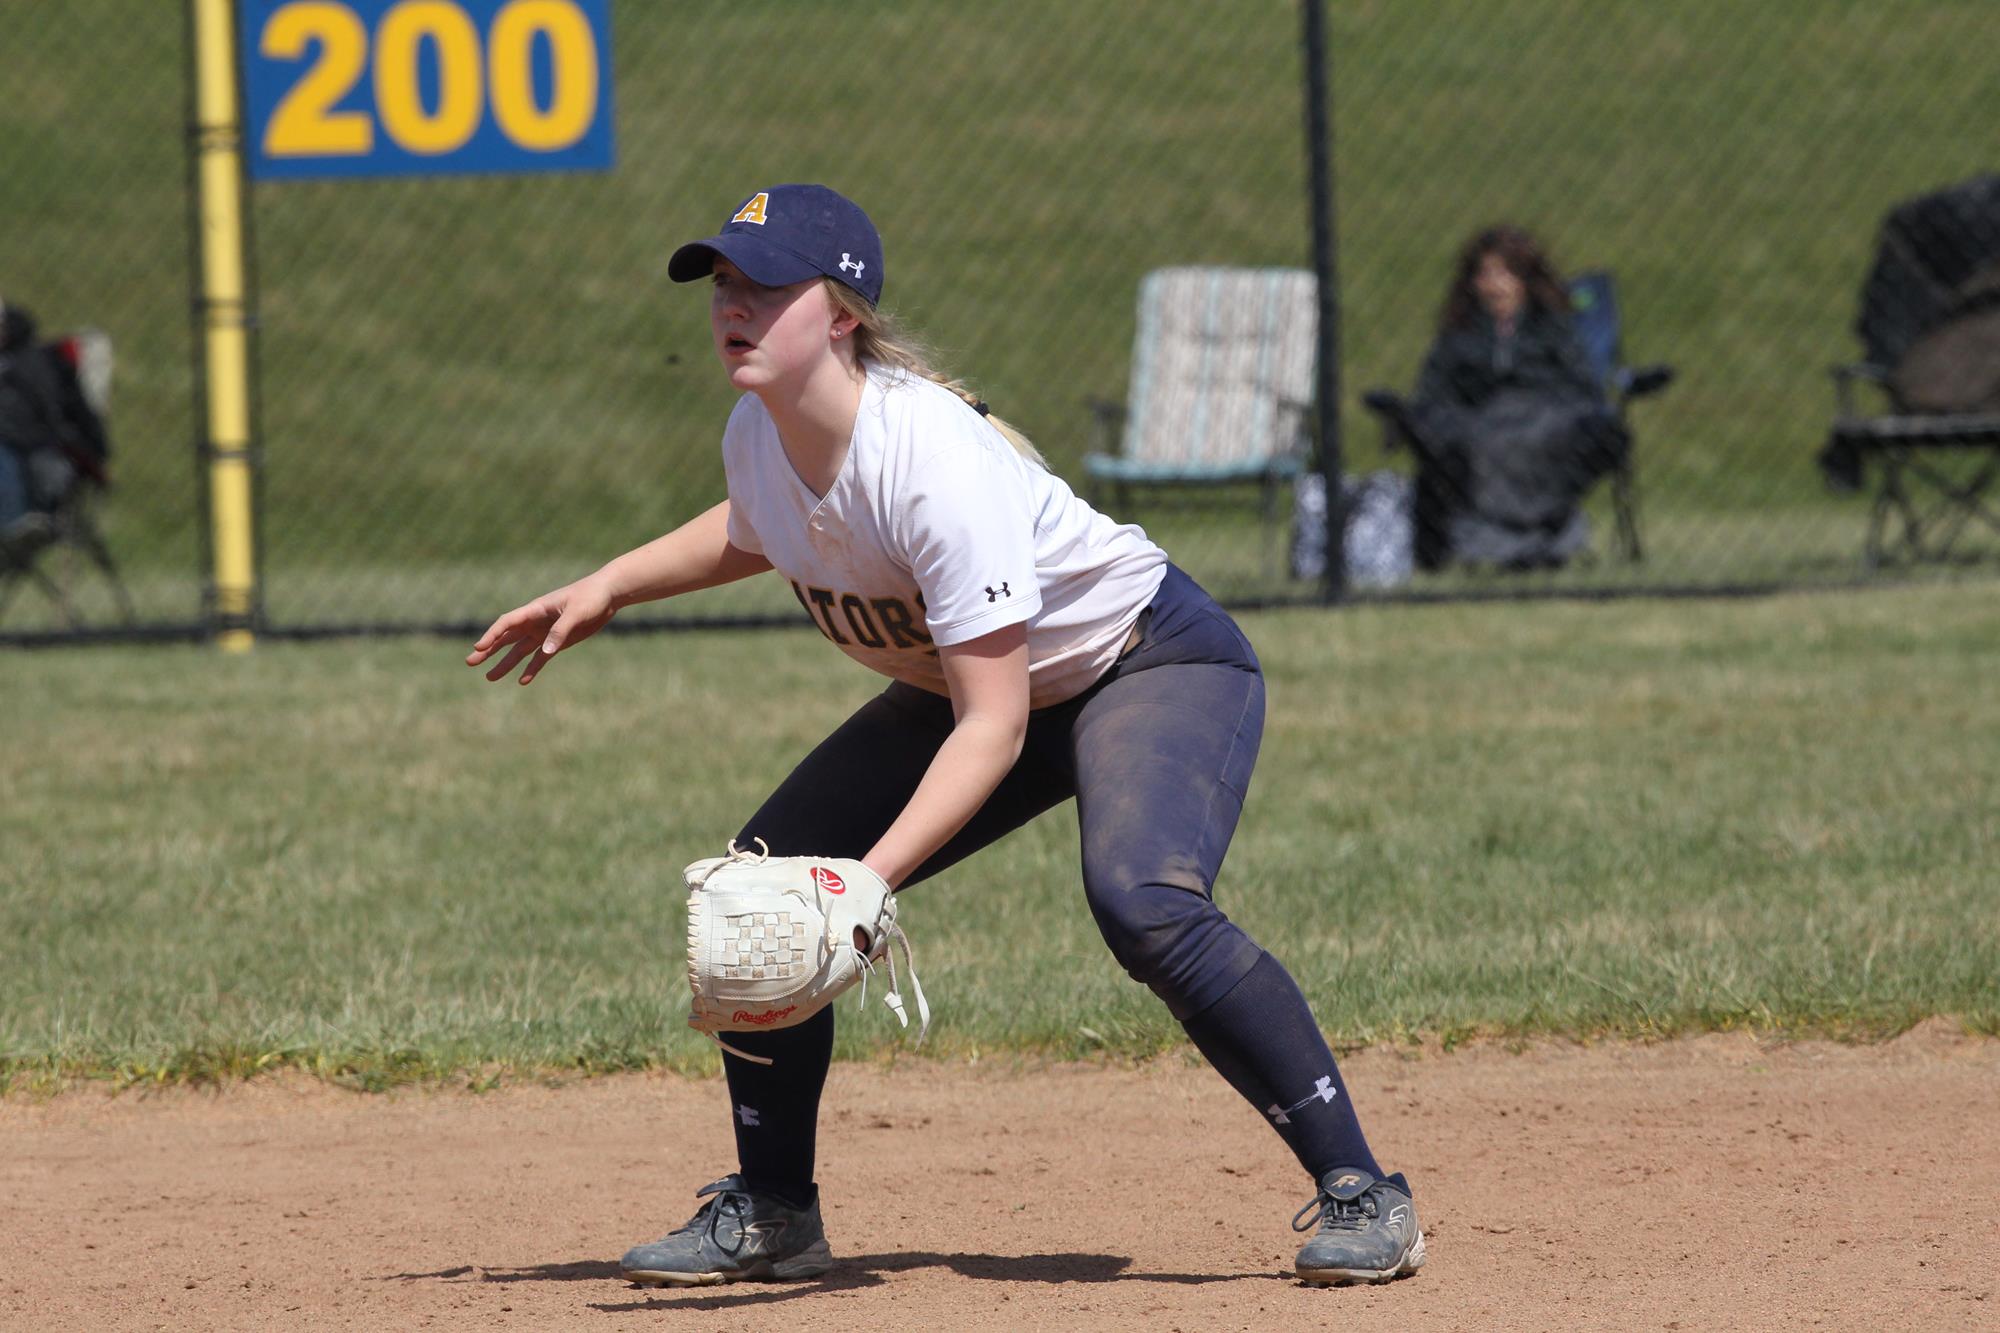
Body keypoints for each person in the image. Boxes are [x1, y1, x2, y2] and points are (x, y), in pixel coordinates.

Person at [466, 185, 1426, 1289]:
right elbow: (755, 525)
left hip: (1143, 660)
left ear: (836, 312)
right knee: (762, 887)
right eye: (723, 280)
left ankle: (1364, 1191)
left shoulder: (927, 459)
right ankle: (775, 1209)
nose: (732, 302)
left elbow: (995, 723)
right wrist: (606, 588)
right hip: (980, 688)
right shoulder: (760, 431)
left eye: (763, 283)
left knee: (1143, 900)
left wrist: (866, 886)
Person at [1373, 225, 1626, 571]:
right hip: (1478, 422)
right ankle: (1506, 541)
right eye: (1485, 274)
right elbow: (1434, 392)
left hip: (1544, 419)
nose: (1494, 284)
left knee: (1556, 437)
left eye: (1505, 274)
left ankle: (1523, 538)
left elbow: (1582, 389)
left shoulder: (1554, 327)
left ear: (1525, 280)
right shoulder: (1459, 333)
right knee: (1466, 439)